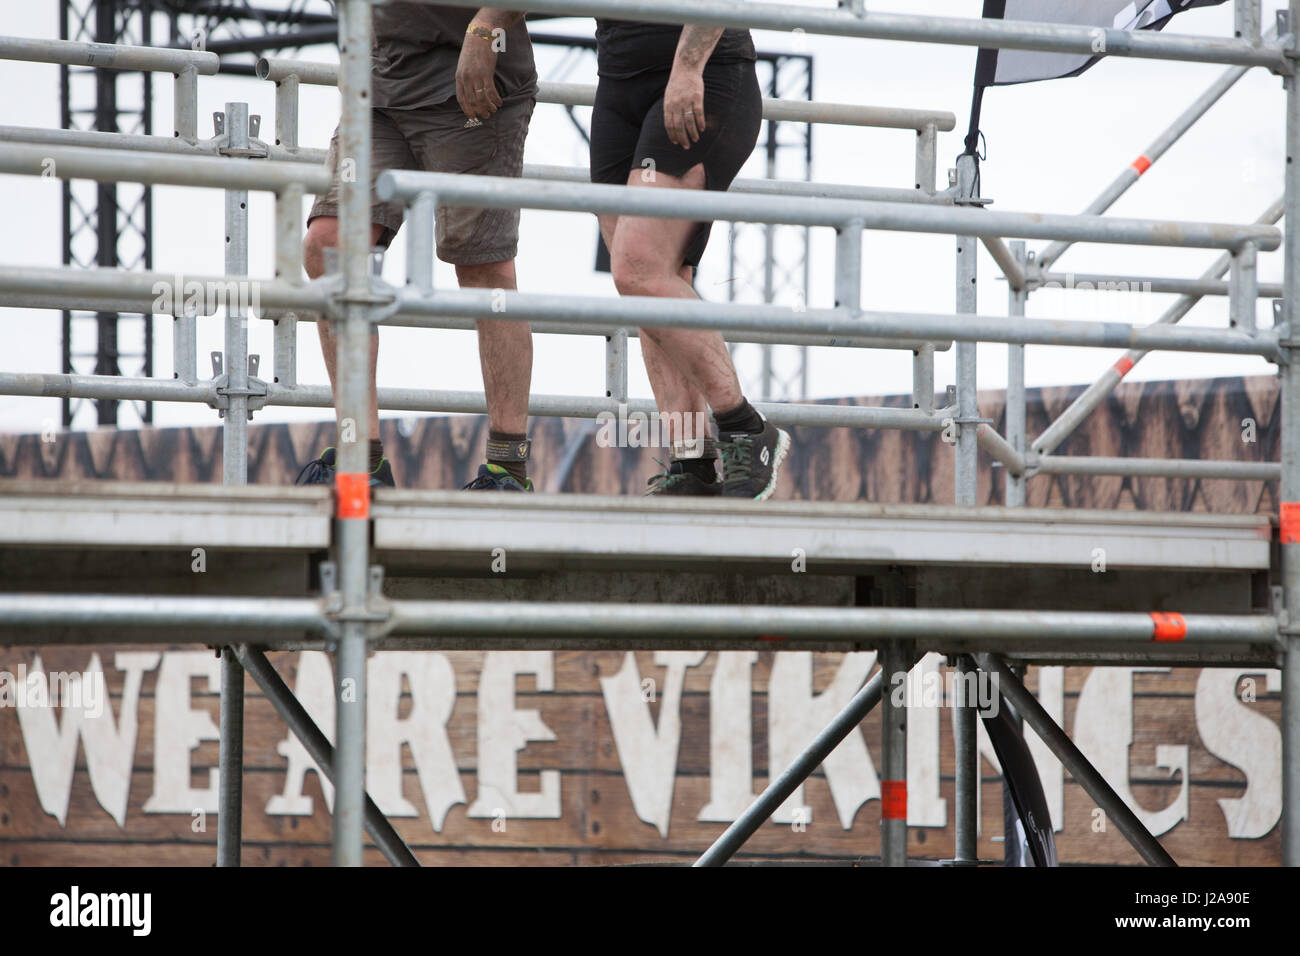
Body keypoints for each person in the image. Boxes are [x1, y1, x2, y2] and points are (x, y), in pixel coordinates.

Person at [294, 4, 537, 491]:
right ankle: (360, 456)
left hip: (474, 87)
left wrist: (484, 29)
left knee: (483, 271)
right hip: (381, 94)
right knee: (329, 247)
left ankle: (508, 467)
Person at [590, 18, 790, 499]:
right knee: (650, 279)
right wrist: (484, 28)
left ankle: (744, 427)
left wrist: (687, 66)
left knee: (637, 266)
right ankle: (692, 460)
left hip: (702, 71)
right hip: (617, 78)